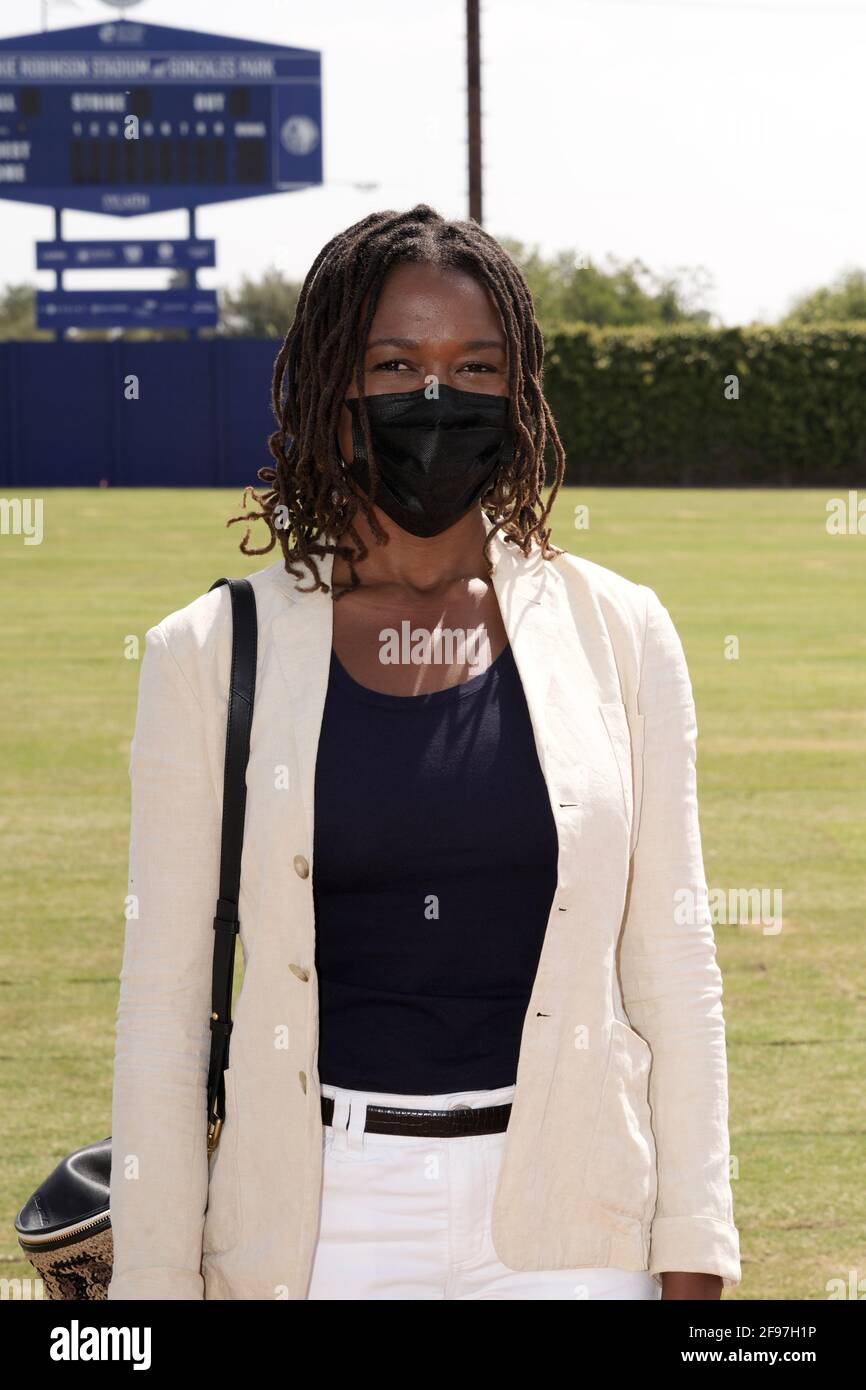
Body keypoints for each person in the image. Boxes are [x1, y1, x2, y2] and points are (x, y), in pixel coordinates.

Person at [107, 204, 741, 1301]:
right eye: (395, 363)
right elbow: (164, 1001)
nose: (436, 399)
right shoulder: (207, 653)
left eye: (475, 367)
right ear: (327, 390)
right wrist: (154, 1282)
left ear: (519, 394)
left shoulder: (620, 632)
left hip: (572, 1222)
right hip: (318, 1227)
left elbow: (673, 969)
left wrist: (692, 1244)